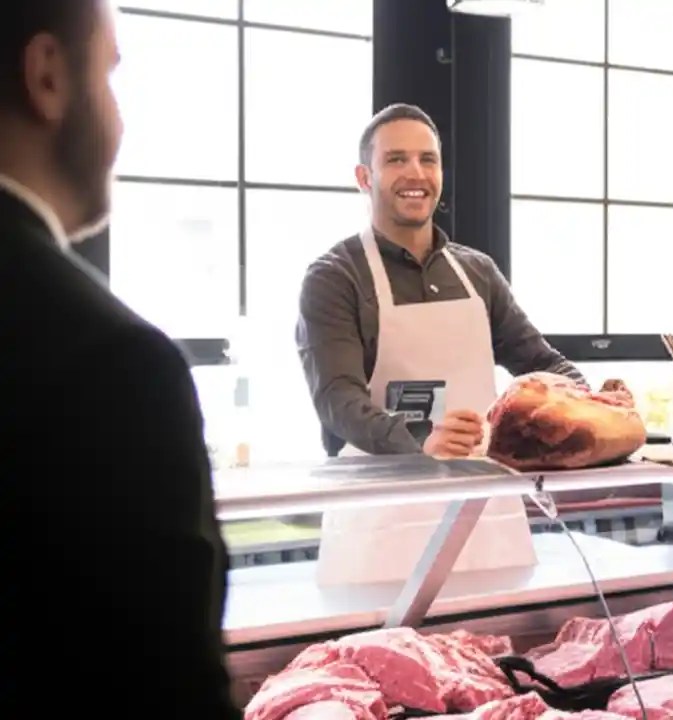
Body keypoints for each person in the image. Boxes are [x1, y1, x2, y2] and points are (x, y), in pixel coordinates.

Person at [0, 3, 238, 717]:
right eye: (108, 74)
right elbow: (165, 686)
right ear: (47, 75)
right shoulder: (111, 359)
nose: (120, 122)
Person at [296, 102, 584, 460]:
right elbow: (338, 400)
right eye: (396, 159)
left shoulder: (479, 272)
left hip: (486, 500)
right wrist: (421, 438)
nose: (416, 173)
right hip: (377, 502)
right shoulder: (334, 278)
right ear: (364, 177)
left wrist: (598, 404)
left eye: (428, 159)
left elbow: (543, 364)